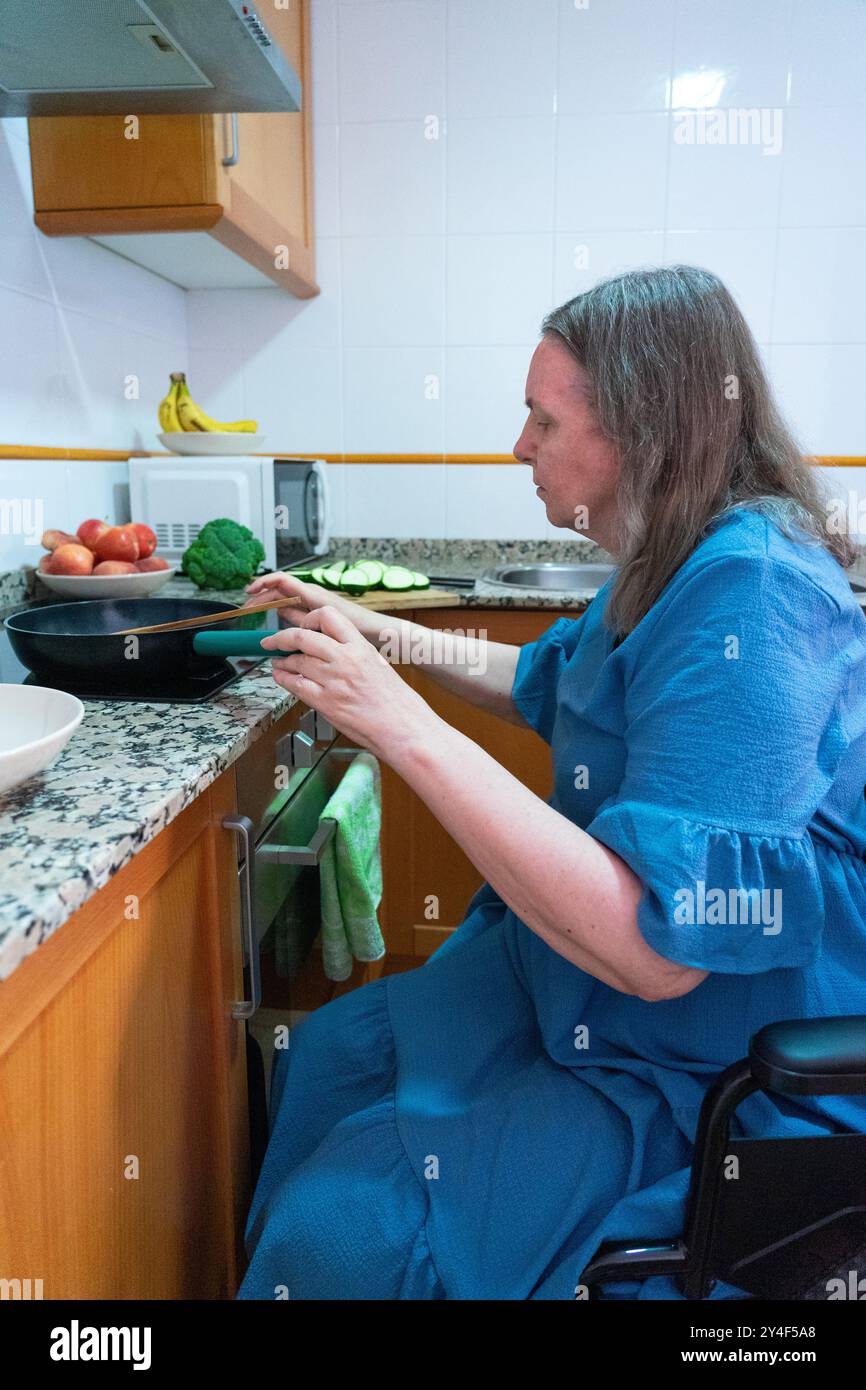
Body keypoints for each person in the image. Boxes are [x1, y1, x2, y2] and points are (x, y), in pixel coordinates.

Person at [236, 266, 866, 1300]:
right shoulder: (666, 553)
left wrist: (399, 727)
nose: (517, 446)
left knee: (340, 1236)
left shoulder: (750, 590)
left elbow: (660, 956)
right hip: (576, 980)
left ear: (638, 433)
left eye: (540, 418)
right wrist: (369, 632)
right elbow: (544, 677)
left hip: (696, 1042)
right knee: (326, 1054)